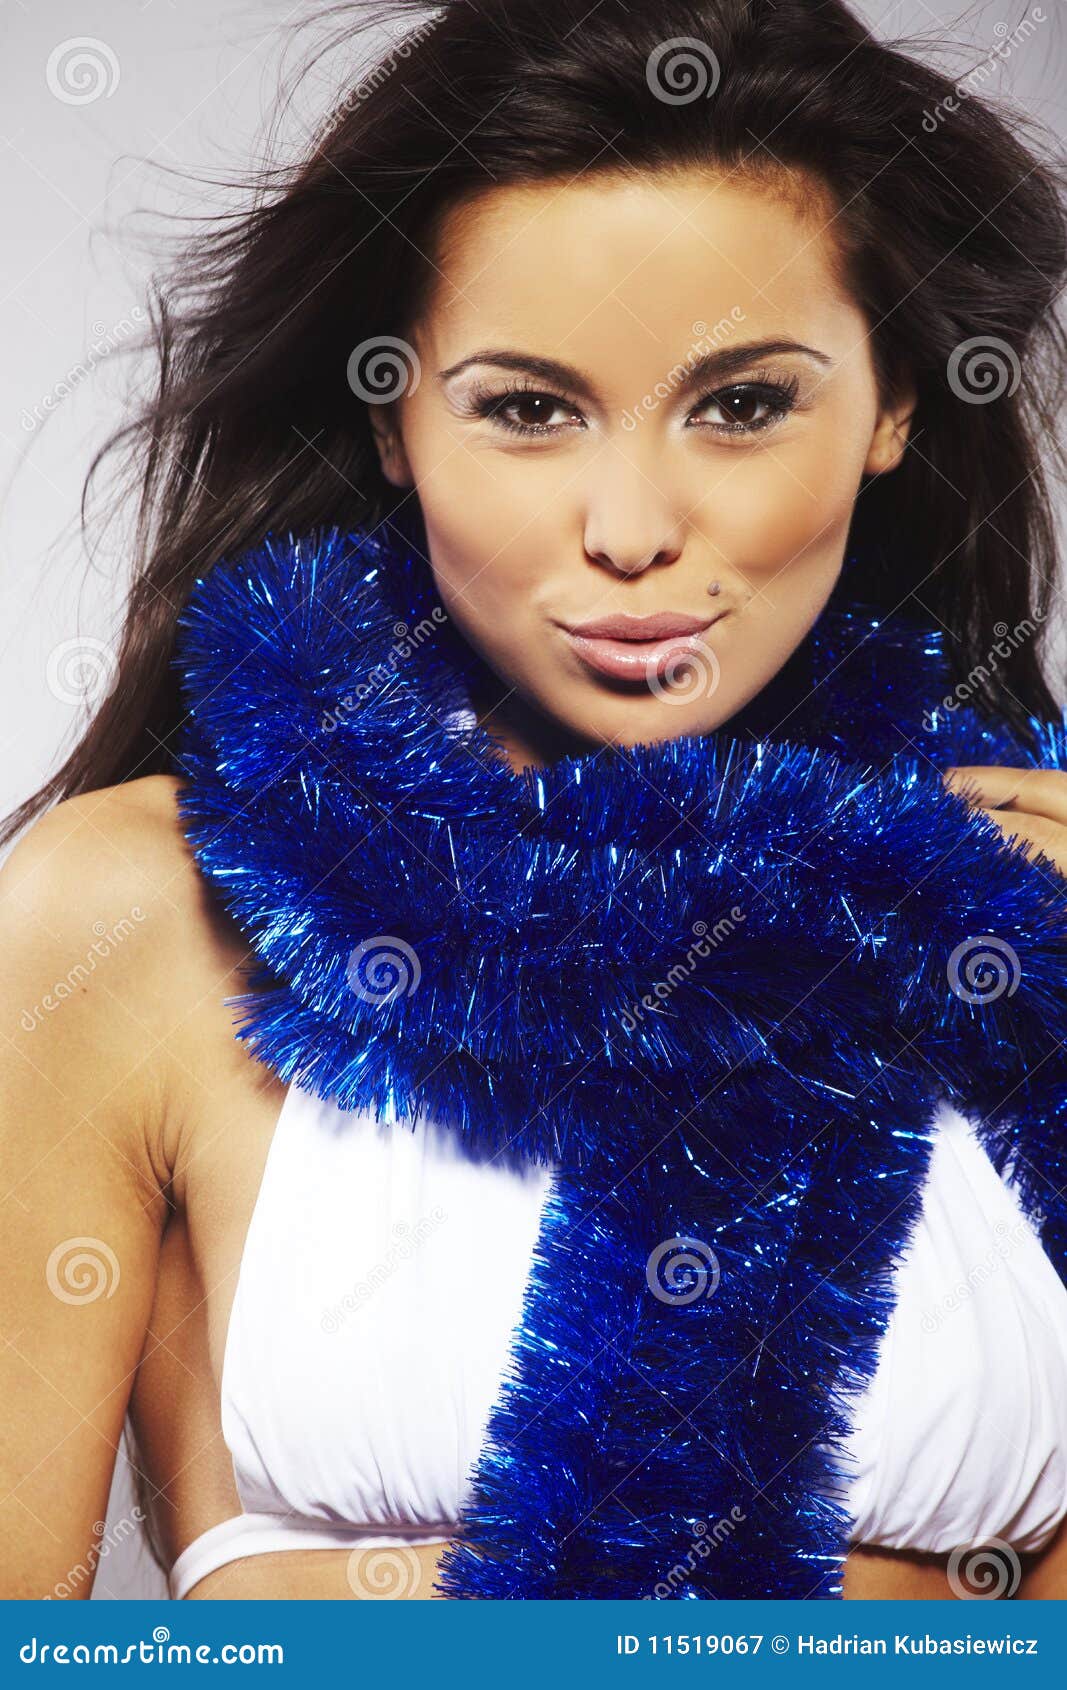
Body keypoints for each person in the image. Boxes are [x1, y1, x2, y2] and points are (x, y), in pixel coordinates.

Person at [2, 0, 1067, 1601]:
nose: (631, 528)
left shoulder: (1011, 915)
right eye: (526, 406)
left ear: (896, 402)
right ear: (395, 416)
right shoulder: (138, 910)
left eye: (744, 403)